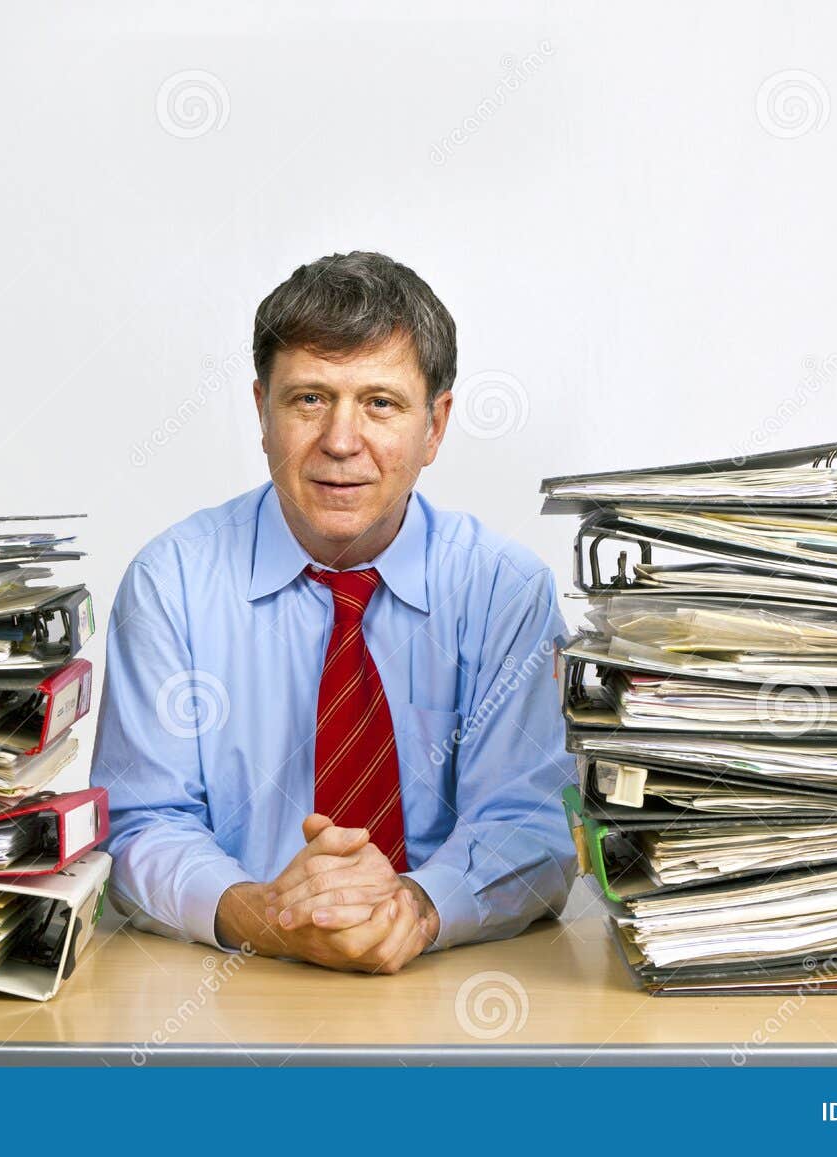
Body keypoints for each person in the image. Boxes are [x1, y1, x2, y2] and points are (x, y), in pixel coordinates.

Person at [92, 251, 576, 973]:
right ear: (262, 412)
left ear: (435, 426)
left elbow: (531, 828)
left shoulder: (506, 592)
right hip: (227, 992)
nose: (341, 440)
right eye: (310, 399)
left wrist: (413, 909)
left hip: (444, 991)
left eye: (380, 402)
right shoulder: (173, 583)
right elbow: (138, 824)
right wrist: (270, 916)